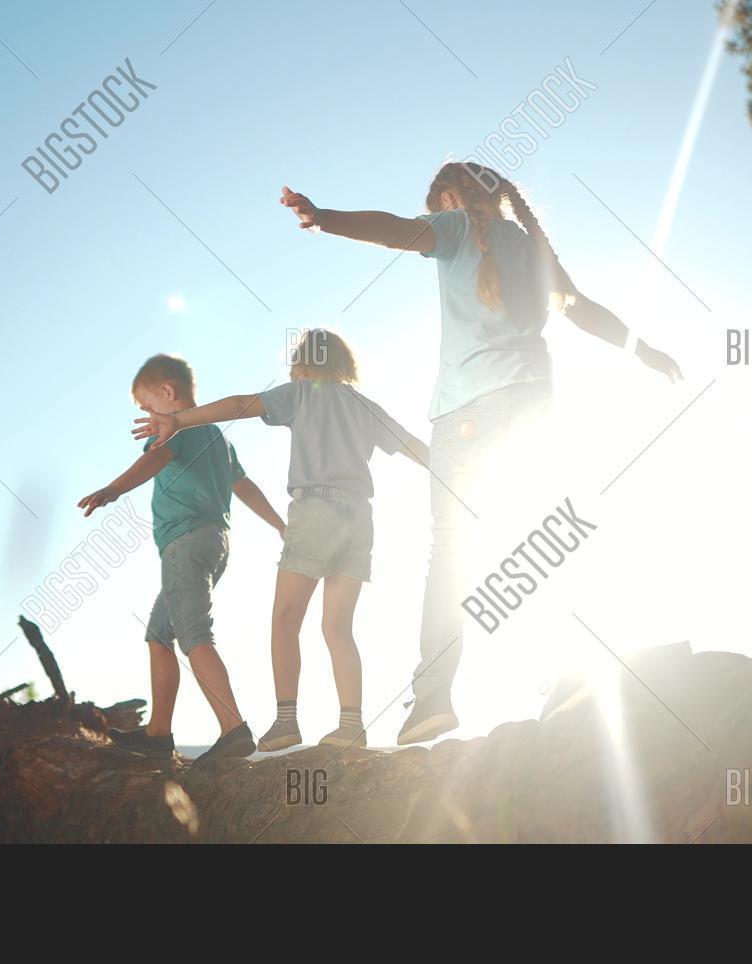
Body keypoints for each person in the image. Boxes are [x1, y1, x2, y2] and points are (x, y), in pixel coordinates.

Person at [279, 161, 683, 744]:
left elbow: (393, 230)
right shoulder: (533, 246)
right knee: (545, 536)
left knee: (452, 551)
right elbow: (584, 310)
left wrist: (324, 218)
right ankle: (575, 672)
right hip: (536, 403)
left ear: (451, 198)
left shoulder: (455, 228)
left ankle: (432, 698)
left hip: (470, 411)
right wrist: (644, 350)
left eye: (436, 204)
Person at [134, 329, 428, 750]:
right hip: (360, 518)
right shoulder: (365, 405)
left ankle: (287, 722)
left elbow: (241, 405)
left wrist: (180, 419)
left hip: (316, 509)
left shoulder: (304, 392)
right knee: (338, 627)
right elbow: (411, 445)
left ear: (305, 365)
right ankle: (352, 726)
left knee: (286, 620)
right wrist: (448, 469)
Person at [78, 353, 286, 762]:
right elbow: (244, 486)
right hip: (214, 541)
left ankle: (233, 728)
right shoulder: (218, 437)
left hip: (185, 542)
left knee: (194, 635)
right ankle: (158, 734)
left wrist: (114, 488)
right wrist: (279, 524)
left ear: (167, 392)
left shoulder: (176, 427)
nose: (148, 415)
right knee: (159, 636)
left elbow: (156, 457)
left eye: (147, 406)